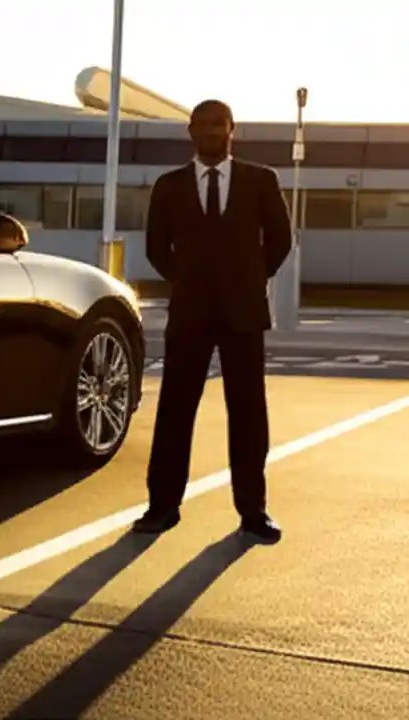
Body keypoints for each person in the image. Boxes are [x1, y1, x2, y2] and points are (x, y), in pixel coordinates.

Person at [132, 99, 293, 542]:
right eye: (202, 125)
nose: (210, 132)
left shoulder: (261, 180)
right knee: (174, 412)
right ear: (190, 132)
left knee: (247, 414)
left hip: (243, 314)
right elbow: (155, 248)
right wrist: (186, 281)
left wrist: (253, 277)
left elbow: (280, 239)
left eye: (218, 125)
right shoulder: (168, 186)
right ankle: (162, 507)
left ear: (231, 129)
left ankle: (253, 512)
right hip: (190, 314)